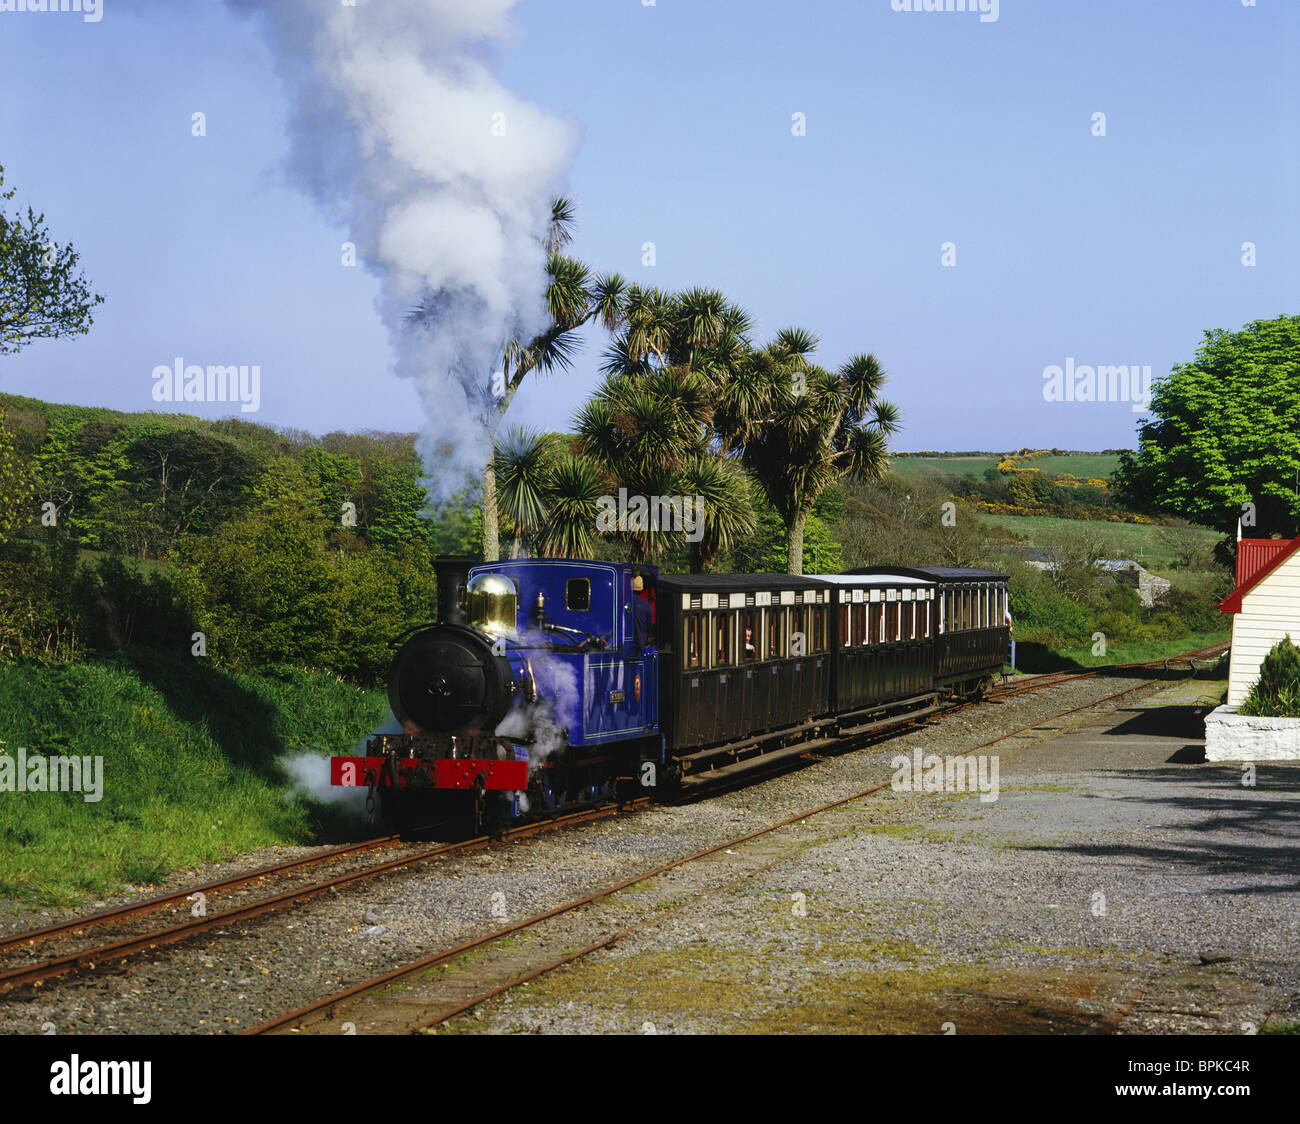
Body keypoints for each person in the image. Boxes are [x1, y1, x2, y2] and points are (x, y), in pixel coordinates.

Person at [631, 574, 654, 648]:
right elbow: (649, 626)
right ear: (641, 590)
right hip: (641, 642)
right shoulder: (647, 606)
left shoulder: (624, 602)